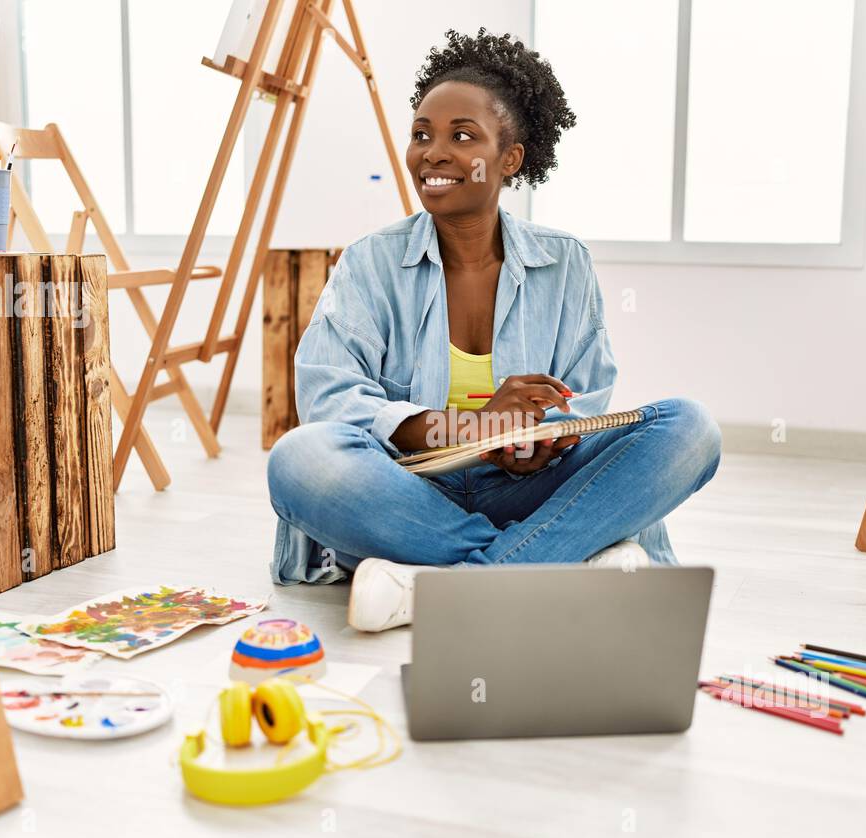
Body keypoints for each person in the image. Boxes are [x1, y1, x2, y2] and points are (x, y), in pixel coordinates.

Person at [267, 29, 721, 631]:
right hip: (407, 490)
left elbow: (583, 403)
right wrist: (472, 430)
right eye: (422, 134)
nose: (431, 152)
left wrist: (534, 439)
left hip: (526, 489)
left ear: (510, 158)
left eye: (462, 136)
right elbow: (329, 398)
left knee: (689, 427)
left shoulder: (565, 263)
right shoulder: (370, 262)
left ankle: (439, 585)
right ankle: (554, 561)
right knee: (301, 457)